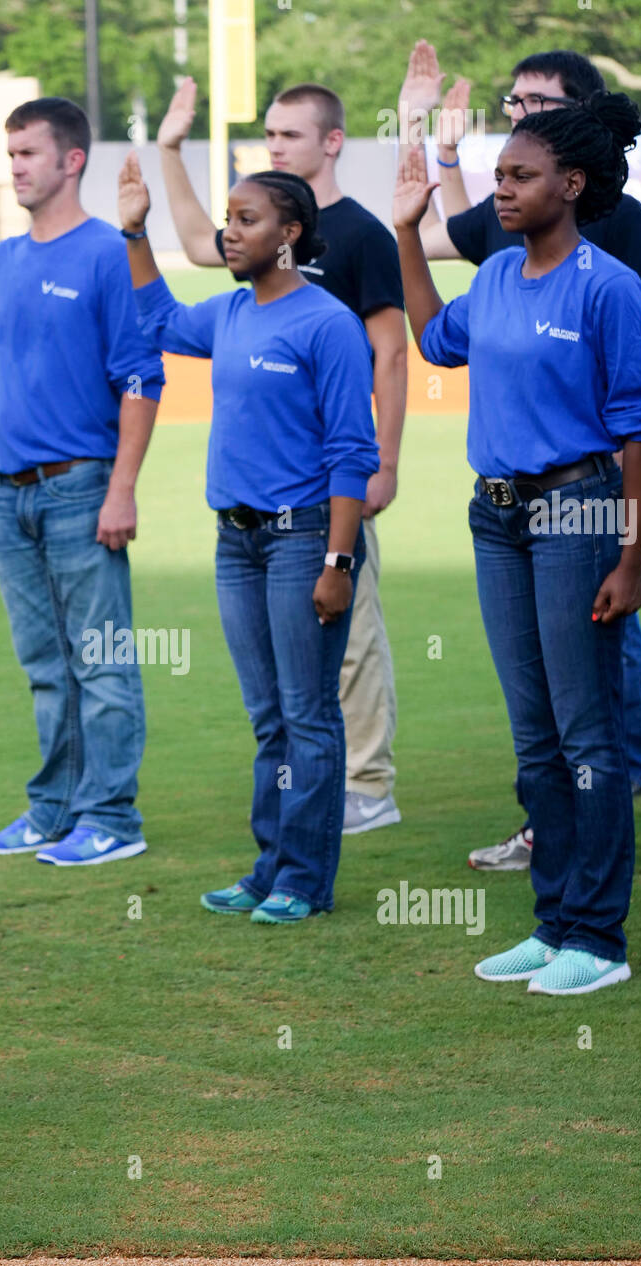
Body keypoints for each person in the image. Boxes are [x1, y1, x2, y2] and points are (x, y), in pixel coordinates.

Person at [394, 94, 641, 994]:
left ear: (572, 184)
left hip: (580, 514)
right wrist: (407, 231)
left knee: (590, 737)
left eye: (520, 176)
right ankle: (554, 927)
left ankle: (600, 940)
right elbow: (436, 342)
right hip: (497, 517)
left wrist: (630, 559)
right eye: (501, 175)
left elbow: (639, 429)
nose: (502, 192)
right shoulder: (499, 279)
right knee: (536, 735)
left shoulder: (608, 287)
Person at [121, 156, 380, 922]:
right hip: (236, 544)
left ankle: (306, 880)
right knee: (269, 718)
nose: (227, 232)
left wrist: (338, 562)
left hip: (304, 542)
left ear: (291, 234)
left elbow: (351, 453)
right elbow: (159, 323)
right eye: (228, 218)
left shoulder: (327, 324)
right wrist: (136, 232)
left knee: (308, 716)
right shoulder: (231, 314)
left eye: (246, 220)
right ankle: (269, 869)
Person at [157, 78, 405, 836]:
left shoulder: (359, 238)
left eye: (289, 136)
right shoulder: (240, 287)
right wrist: (168, 152)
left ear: (330, 141)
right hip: (248, 521)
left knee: (344, 650)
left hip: (318, 502)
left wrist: (381, 468)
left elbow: (390, 354)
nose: (275, 146)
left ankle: (365, 790)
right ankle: (279, 853)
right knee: (279, 705)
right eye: (269, 135)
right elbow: (185, 273)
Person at [0, 98, 164, 867]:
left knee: (100, 660)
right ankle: (52, 812)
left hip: (81, 488)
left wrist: (123, 488)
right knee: (46, 664)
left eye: (28, 154)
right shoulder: (6, 258)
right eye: (10, 156)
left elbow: (143, 377)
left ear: (72, 160)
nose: (15, 169)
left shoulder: (109, 253)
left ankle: (112, 818)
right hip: (7, 494)